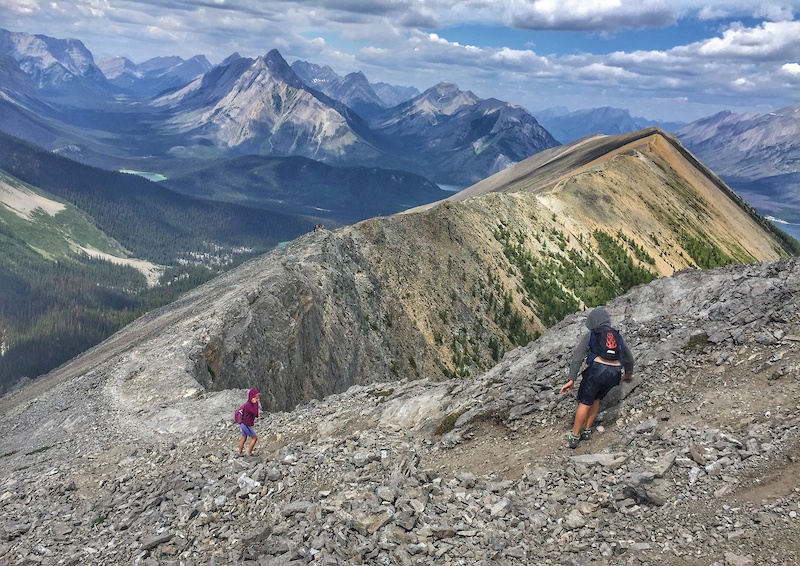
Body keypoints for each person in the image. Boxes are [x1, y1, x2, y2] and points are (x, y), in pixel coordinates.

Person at [559, 307, 634, 449]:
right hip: (615, 373)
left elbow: (577, 357)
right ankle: (586, 431)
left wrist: (571, 379)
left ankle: (575, 436)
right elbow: (628, 358)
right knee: (596, 399)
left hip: (597, 370)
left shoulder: (592, 334)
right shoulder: (617, 336)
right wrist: (628, 374)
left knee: (585, 402)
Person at [237, 388, 262, 456]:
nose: (258, 400)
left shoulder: (248, 404)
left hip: (243, 424)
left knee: (244, 438)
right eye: (256, 398)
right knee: (254, 438)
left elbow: (255, 414)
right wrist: (256, 404)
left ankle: (239, 452)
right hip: (246, 425)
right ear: (252, 397)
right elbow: (255, 412)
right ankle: (249, 453)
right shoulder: (248, 406)